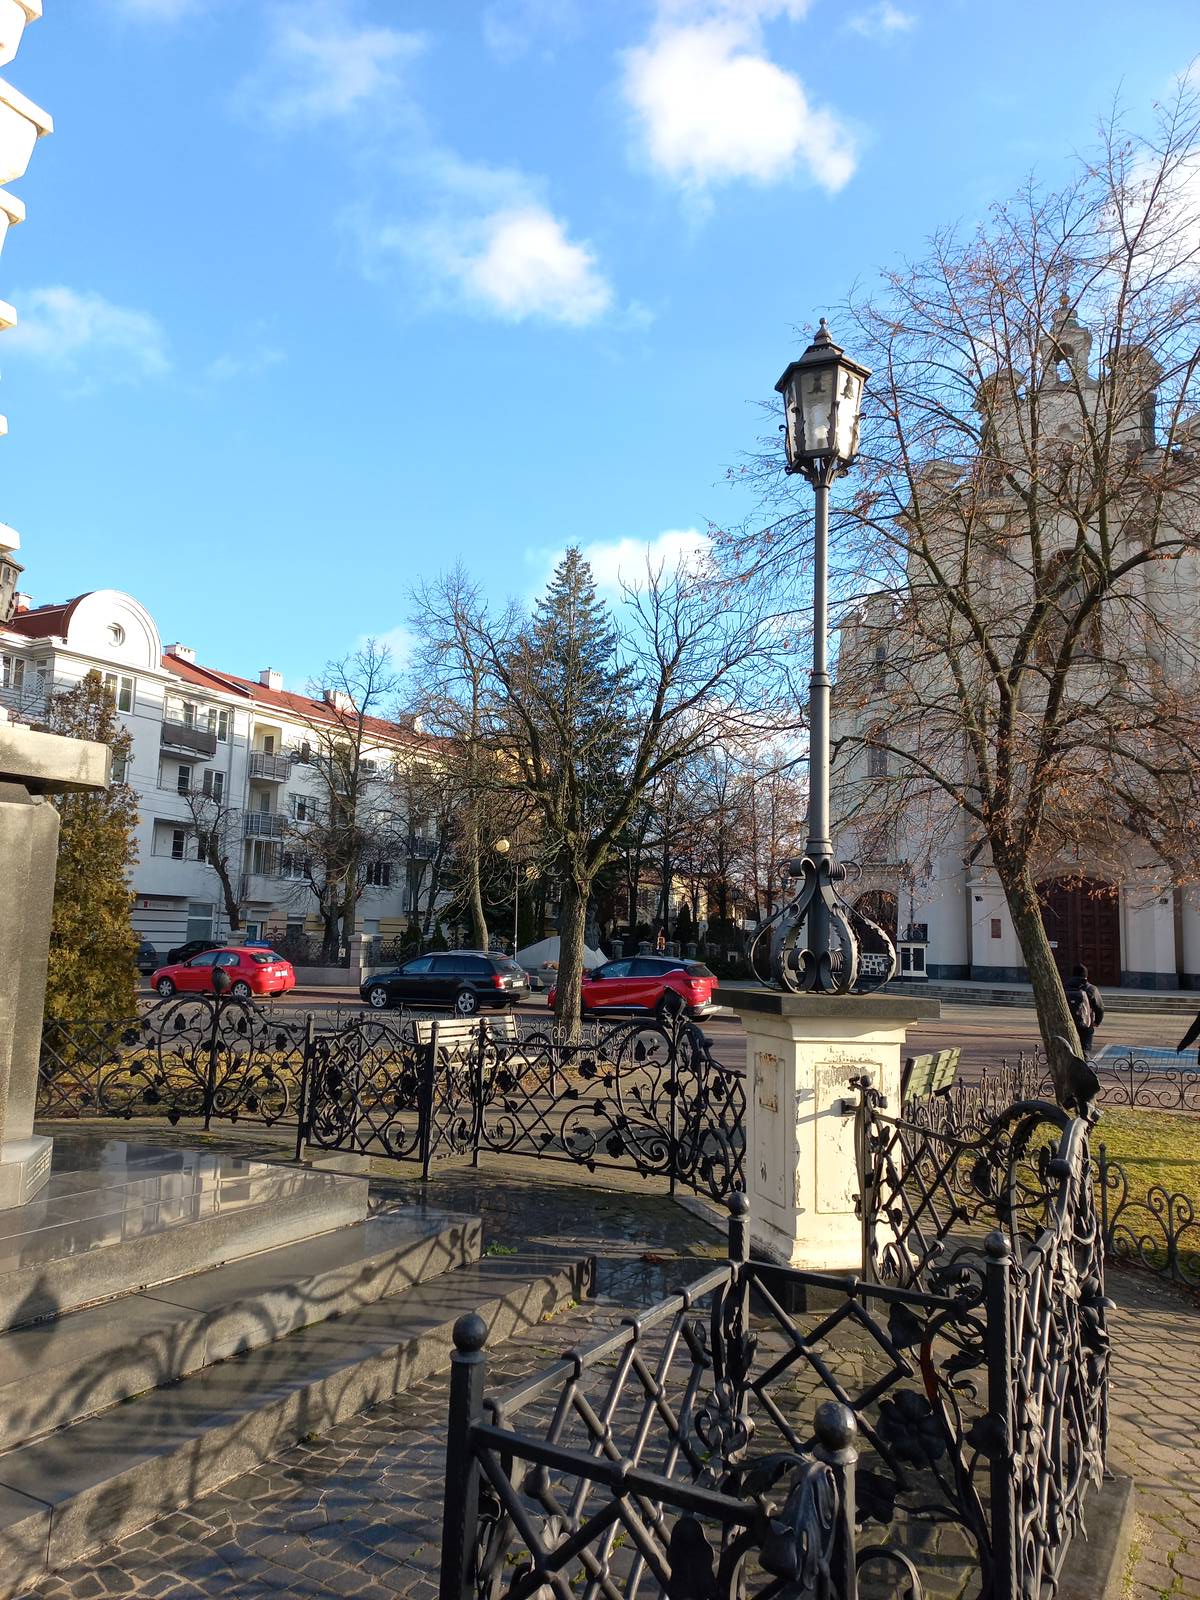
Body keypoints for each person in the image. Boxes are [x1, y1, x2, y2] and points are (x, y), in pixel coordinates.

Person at [1065, 963, 1105, 1056]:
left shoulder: (1063, 986)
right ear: (1086, 976)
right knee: (1085, 1051)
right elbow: (1100, 1008)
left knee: (1067, 1050)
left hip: (1066, 1023)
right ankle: (1085, 1062)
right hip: (1085, 1024)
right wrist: (1097, 1022)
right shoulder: (1091, 989)